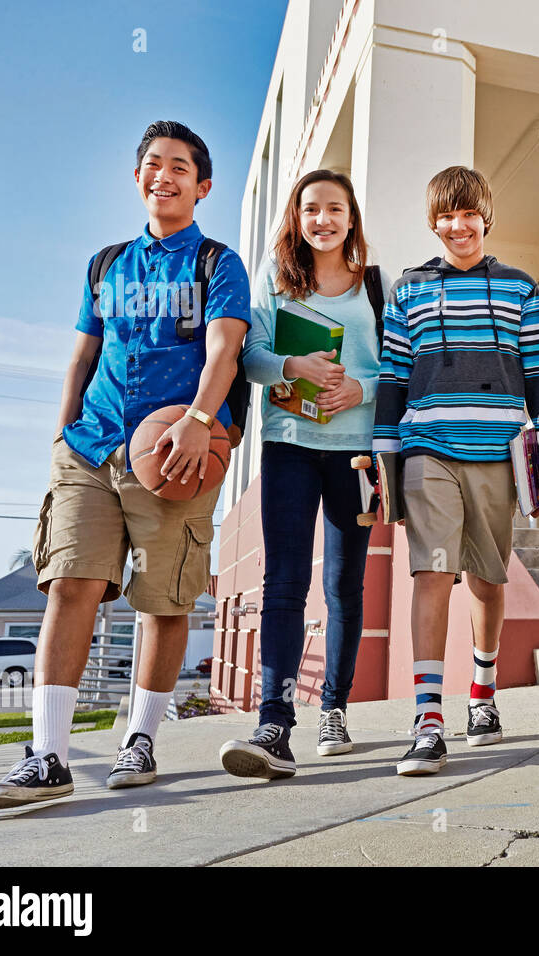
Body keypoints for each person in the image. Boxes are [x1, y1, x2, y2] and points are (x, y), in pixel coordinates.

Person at [0, 121, 250, 809]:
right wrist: (61, 435)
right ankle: (48, 756)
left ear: (202, 185)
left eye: (180, 167)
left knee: (162, 600)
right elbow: (81, 353)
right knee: (70, 584)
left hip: (174, 453)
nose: (165, 175)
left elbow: (225, 352)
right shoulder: (104, 264)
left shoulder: (218, 263)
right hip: (90, 447)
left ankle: (141, 739)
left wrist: (196, 421)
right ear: (138, 179)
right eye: (153, 164)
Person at [373, 166, 539, 776]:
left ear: (486, 218)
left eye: (468, 213)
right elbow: (394, 376)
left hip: (498, 450)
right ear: (434, 223)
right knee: (431, 573)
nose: (459, 225)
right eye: (447, 216)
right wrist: (382, 454)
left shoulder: (520, 288)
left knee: (487, 579)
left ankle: (483, 692)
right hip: (426, 446)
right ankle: (429, 718)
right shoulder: (407, 290)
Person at [218, 170, 392, 779]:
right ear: (296, 216)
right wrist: (294, 364)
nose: (323, 219)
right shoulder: (274, 277)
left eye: (335, 209)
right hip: (289, 445)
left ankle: (335, 710)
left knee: (344, 585)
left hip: (355, 453)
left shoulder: (377, 285)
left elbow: (399, 368)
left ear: (351, 219)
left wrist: (359, 389)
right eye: (311, 208)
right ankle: (275, 719)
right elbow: (253, 359)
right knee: (285, 582)